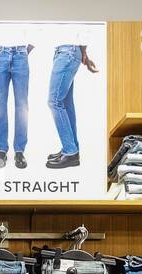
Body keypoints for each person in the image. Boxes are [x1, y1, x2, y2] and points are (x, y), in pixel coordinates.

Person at [46, 28, 98, 170]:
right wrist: (83, 54)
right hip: (64, 51)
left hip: (68, 52)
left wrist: (84, 53)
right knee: (65, 103)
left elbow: (85, 27)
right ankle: (70, 148)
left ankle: (70, 152)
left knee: (54, 102)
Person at [0, 27, 32, 170]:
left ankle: (19, 151)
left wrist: (23, 53)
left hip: (20, 55)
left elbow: (36, 29)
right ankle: (1, 151)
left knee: (22, 106)